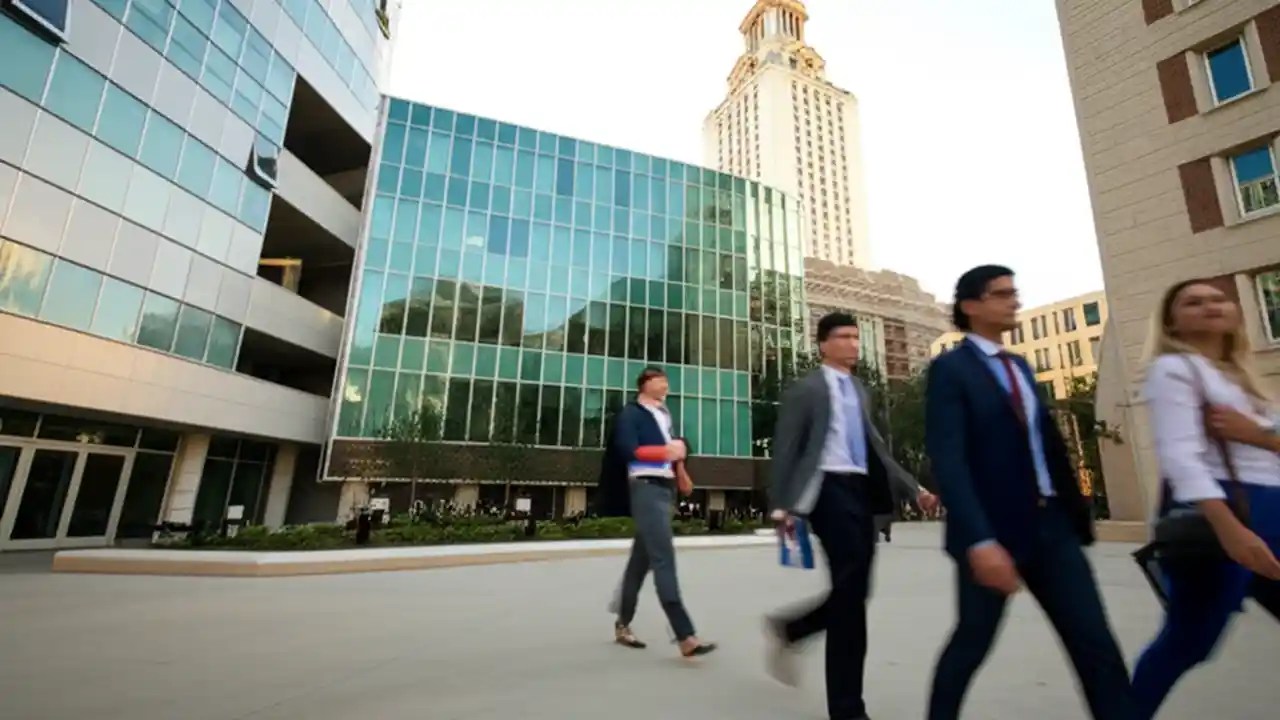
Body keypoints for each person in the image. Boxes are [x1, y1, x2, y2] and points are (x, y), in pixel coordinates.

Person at [924, 265, 1136, 720]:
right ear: (971, 306)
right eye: (1001, 294)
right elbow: (950, 459)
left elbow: (1049, 448)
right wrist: (979, 541)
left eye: (1014, 292)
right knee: (971, 644)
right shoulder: (950, 370)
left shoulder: (1019, 366)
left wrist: (1077, 515)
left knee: (1095, 642)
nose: (1013, 300)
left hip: (1053, 528)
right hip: (993, 533)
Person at [765, 312, 938, 720]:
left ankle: (794, 629)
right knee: (851, 594)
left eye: (856, 337)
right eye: (844, 337)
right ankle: (847, 709)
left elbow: (876, 447)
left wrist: (915, 489)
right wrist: (781, 503)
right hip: (825, 489)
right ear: (823, 344)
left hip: (861, 491)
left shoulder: (860, 390)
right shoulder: (805, 389)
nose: (853, 344)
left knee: (855, 592)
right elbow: (787, 447)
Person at [1129, 279, 1280, 719]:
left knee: (1187, 640)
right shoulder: (1174, 370)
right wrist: (1231, 530)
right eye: (1192, 302)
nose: (1210, 306)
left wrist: (1258, 433)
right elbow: (1180, 458)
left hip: (1271, 510)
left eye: (1217, 298)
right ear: (1173, 321)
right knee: (1189, 641)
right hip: (1221, 514)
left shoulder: (1245, 379)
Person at [603, 366, 715, 658]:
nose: (665, 385)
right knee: (663, 557)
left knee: (639, 564)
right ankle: (685, 635)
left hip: (666, 488)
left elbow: (675, 448)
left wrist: (681, 470)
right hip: (645, 487)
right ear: (644, 384)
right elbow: (627, 449)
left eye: (666, 381)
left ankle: (622, 624)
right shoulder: (631, 414)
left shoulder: (664, 414)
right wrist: (664, 453)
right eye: (659, 381)